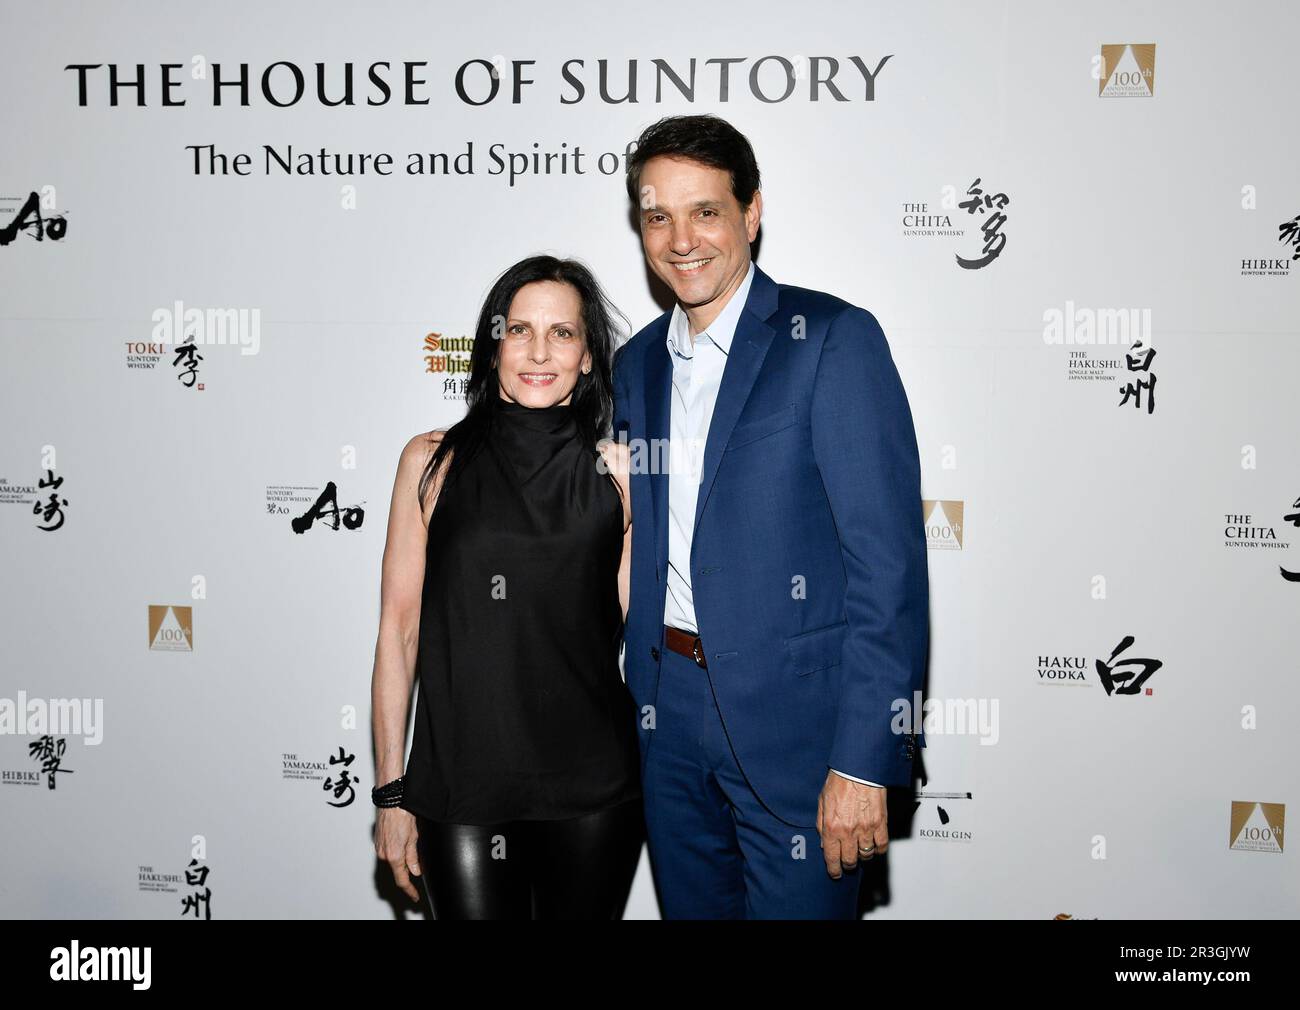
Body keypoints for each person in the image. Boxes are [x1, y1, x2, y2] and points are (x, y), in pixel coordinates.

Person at [612, 114, 930, 919]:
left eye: (706, 211)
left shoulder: (829, 340)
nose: (682, 238)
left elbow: (886, 571)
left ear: (751, 213)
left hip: (798, 732)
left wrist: (863, 764)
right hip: (666, 718)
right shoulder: (635, 364)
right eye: (658, 216)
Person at [369, 255, 644, 919]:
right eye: (519, 330)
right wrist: (390, 793)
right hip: (459, 786)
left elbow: (645, 637)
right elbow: (398, 630)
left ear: (587, 356)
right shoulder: (431, 462)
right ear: (492, 346)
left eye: (563, 333)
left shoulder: (621, 472)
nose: (540, 351)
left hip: (593, 788)